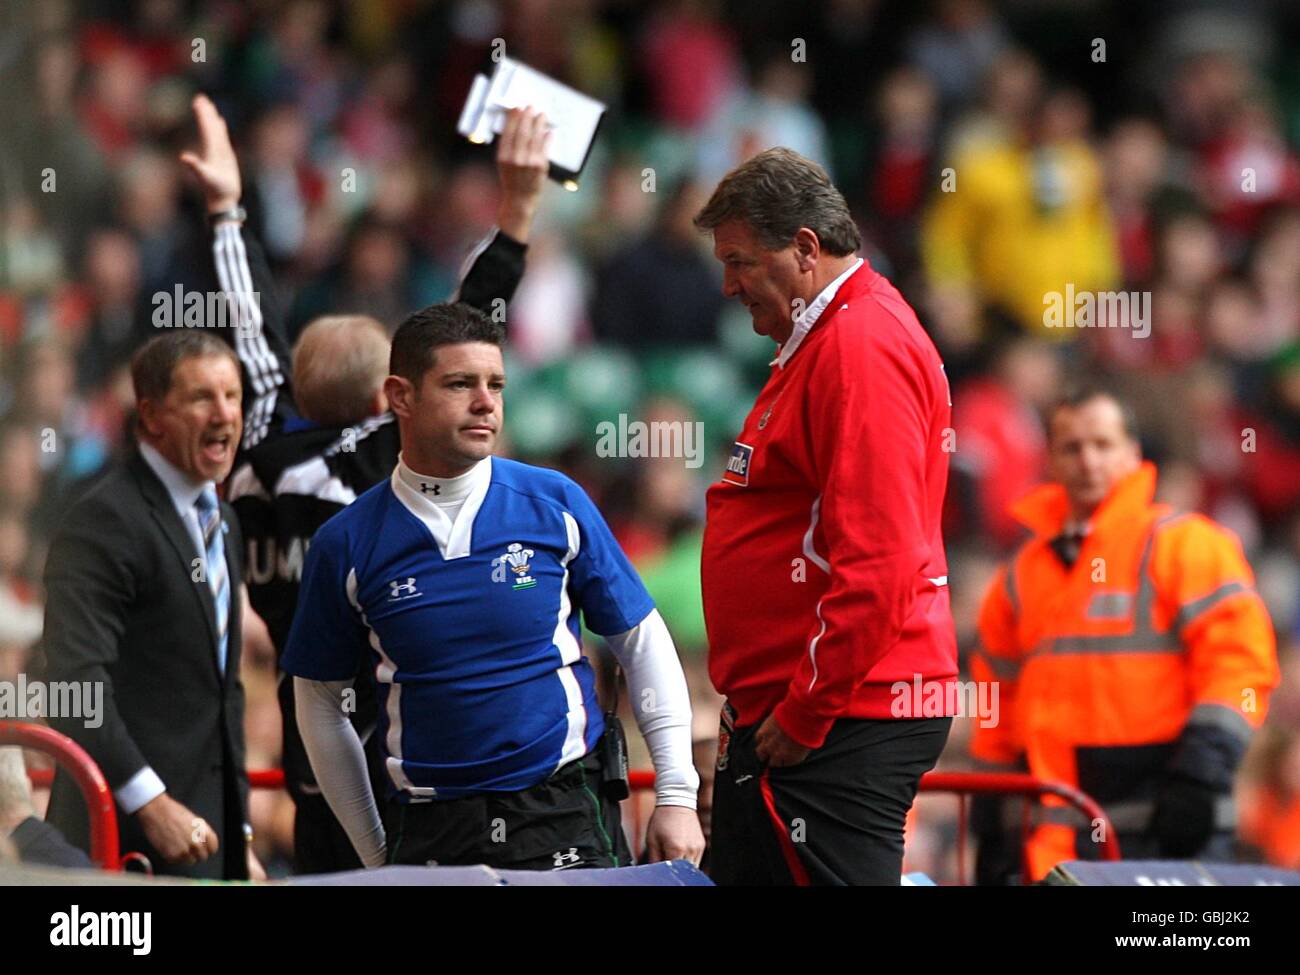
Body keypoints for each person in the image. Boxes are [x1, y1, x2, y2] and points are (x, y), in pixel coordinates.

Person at [181, 92, 552, 873]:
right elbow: (465, 325)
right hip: (400, 744)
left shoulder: (255, 455)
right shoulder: (379, 452)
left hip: (305, 732)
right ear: (394, 397)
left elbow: (251, 329)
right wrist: (516, 213)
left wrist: (226, 211)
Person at [281, 303, 706, 871]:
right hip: (430, 829)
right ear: (400, 396)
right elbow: (318, 701)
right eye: (460, 384)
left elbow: (642, 641)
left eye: (496, 385)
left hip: (563, 813)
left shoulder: (555, 502)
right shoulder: (347, 541)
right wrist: (377, 853)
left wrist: (676, 796)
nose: (486, 402)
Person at [693, 147, 958, 885]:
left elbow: (882, 559)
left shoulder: (860, 346)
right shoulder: (829, 339)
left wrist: (807, 709)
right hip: (811, 714)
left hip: (840, 718)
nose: (728, 284)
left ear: (805, 248)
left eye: (741, 261)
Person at [969, 388, 1280, 882]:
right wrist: (989, 810)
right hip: (1057, 844)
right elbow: (995, 700)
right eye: (1071, 448)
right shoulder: (1019, 576)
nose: (1088, 460)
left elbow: (1240, 665)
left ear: (1133, 454)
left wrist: (1202, 771)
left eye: (1103, 444)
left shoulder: (1187, 545)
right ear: (1050, 459)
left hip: (1171, 824)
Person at [41, 332, 262, 880]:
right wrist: (151, 803)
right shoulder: (105, 520)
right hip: (122, 844)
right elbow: (75, 683)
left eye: (233, 397)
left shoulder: (224, 521)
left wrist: (241, 836)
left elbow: (223, 692)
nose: (225, 415)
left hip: (209, 841)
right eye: (202, 398)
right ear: (151, 413)